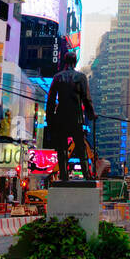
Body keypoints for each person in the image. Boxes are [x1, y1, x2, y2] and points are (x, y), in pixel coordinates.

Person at [45, 51, 95, 182]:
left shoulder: (57, 77)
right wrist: (91, 114)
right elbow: (86, 98)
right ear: (75, 62)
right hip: (76, 118)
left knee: (61, 149)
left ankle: (64, 176)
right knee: (81, 147)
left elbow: (50, 101)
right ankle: (87, 175)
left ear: (65, 62)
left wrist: (50, 119)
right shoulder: (80, 77)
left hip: (60, 117)